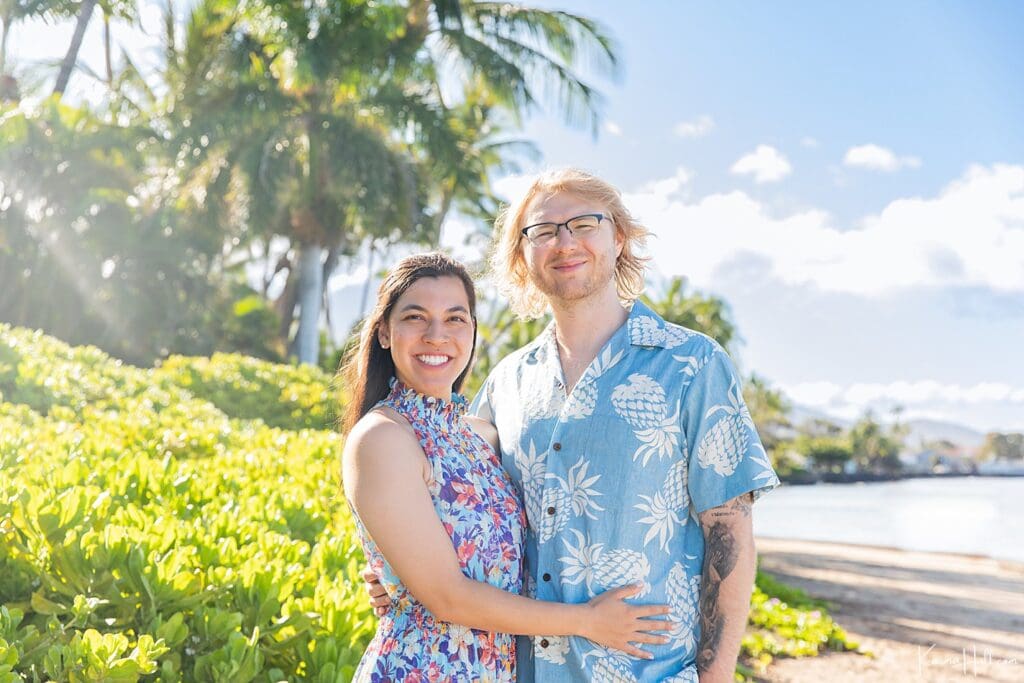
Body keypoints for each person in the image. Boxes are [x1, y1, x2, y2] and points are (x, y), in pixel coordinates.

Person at [365, 170, 781, 682]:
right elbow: (447, 502)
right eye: (542, 231)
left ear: (619, 236)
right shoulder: (507, 384)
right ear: (523, 254)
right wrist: (394, 575)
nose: (564, 243)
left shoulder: (693, 365)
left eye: (583, 223)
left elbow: (730, 534)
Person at [341, 252, 674, 682]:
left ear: (473, 331)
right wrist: (587, 621)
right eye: (415, 317)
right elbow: (447, 597)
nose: (436, 335)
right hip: (422, 670)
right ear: (385, 332)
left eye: (456, 318)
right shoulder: (382, 437)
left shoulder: (481, 436)